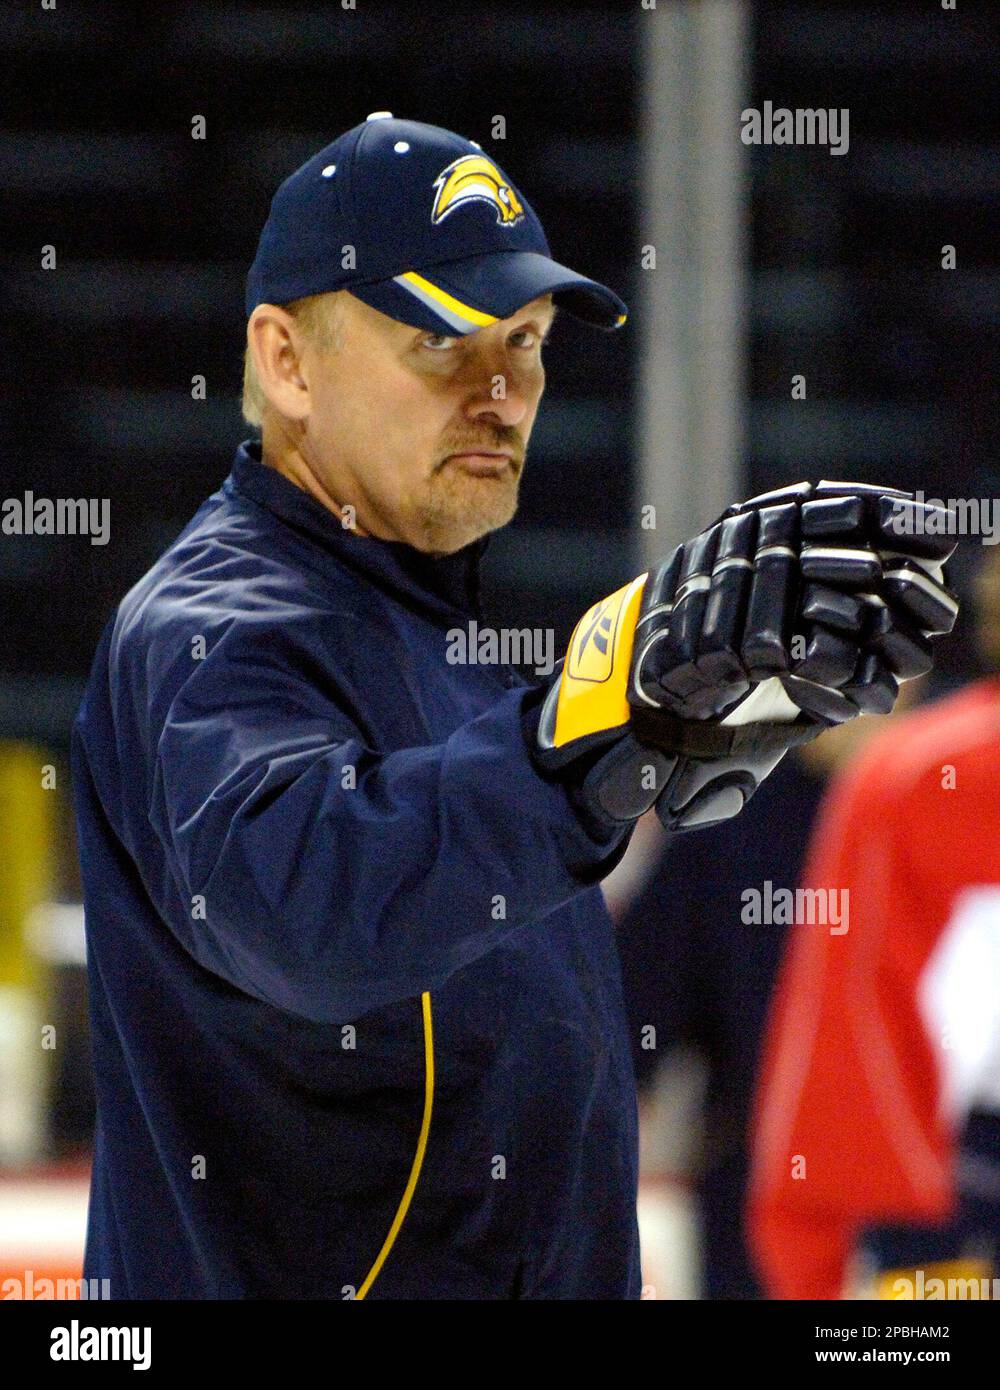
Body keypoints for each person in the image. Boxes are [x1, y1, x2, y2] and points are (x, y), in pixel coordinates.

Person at [70, 113, 954, 1299]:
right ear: (285, 362)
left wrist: (656, 737)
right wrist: (591, 722)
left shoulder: (433, 630)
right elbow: (313, 910)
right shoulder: (210, 630)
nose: (502, 392)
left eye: (527, 343)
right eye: (444, 341)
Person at [748, 547, 1000, 1300]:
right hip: (947, 1245)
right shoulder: (920, 783)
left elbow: (837, 1092)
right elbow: (848, 1071)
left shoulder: (914, 779)